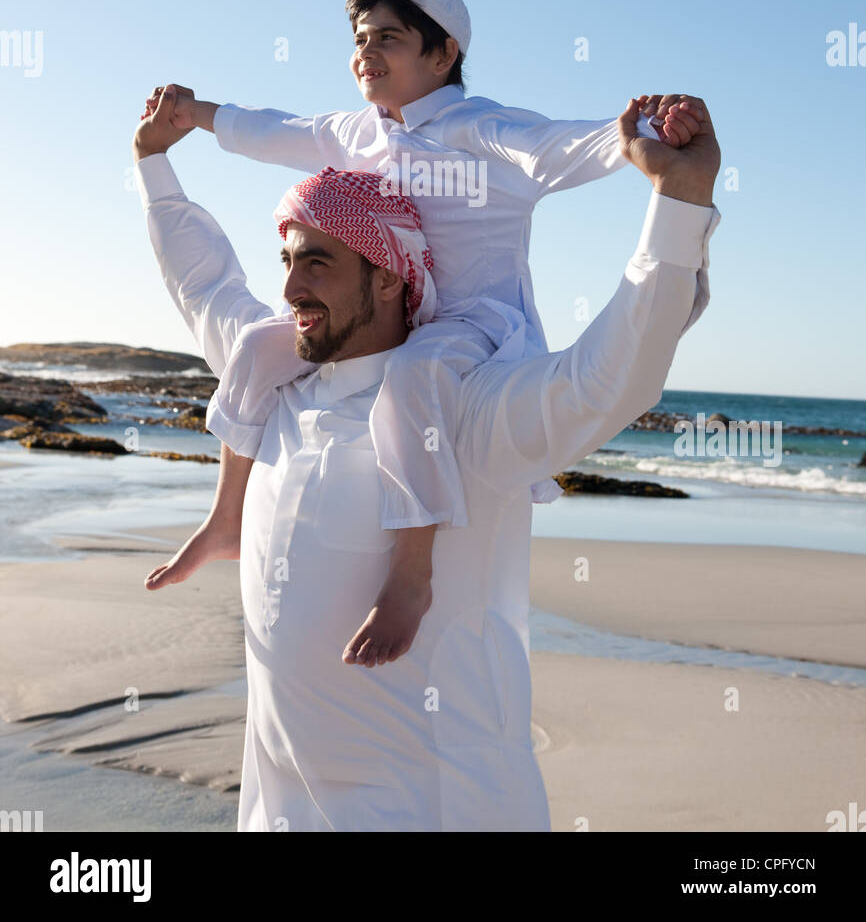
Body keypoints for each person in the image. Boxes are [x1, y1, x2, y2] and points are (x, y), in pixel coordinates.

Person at [133, 85, 721, 832]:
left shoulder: (465, 412)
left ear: (388, 276)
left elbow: (607, 379)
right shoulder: (275, 387)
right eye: (286, 260)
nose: (289, 287)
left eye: (317, 261)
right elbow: (204, 282)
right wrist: (153, 162)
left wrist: (677, 200)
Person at [141, 0, 705, 667]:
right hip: (400, 311)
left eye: (389, 39)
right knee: (258, 348)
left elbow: (563, 147)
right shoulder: (355, 133)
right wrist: (195, 114)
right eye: (359, 39)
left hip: (473, 325)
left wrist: (647, 131)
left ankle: (412, 575)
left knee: (412, 377)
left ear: (442, 56)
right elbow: (274, 130)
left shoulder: (483, 128)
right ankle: (227, 516)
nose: (366, 53)